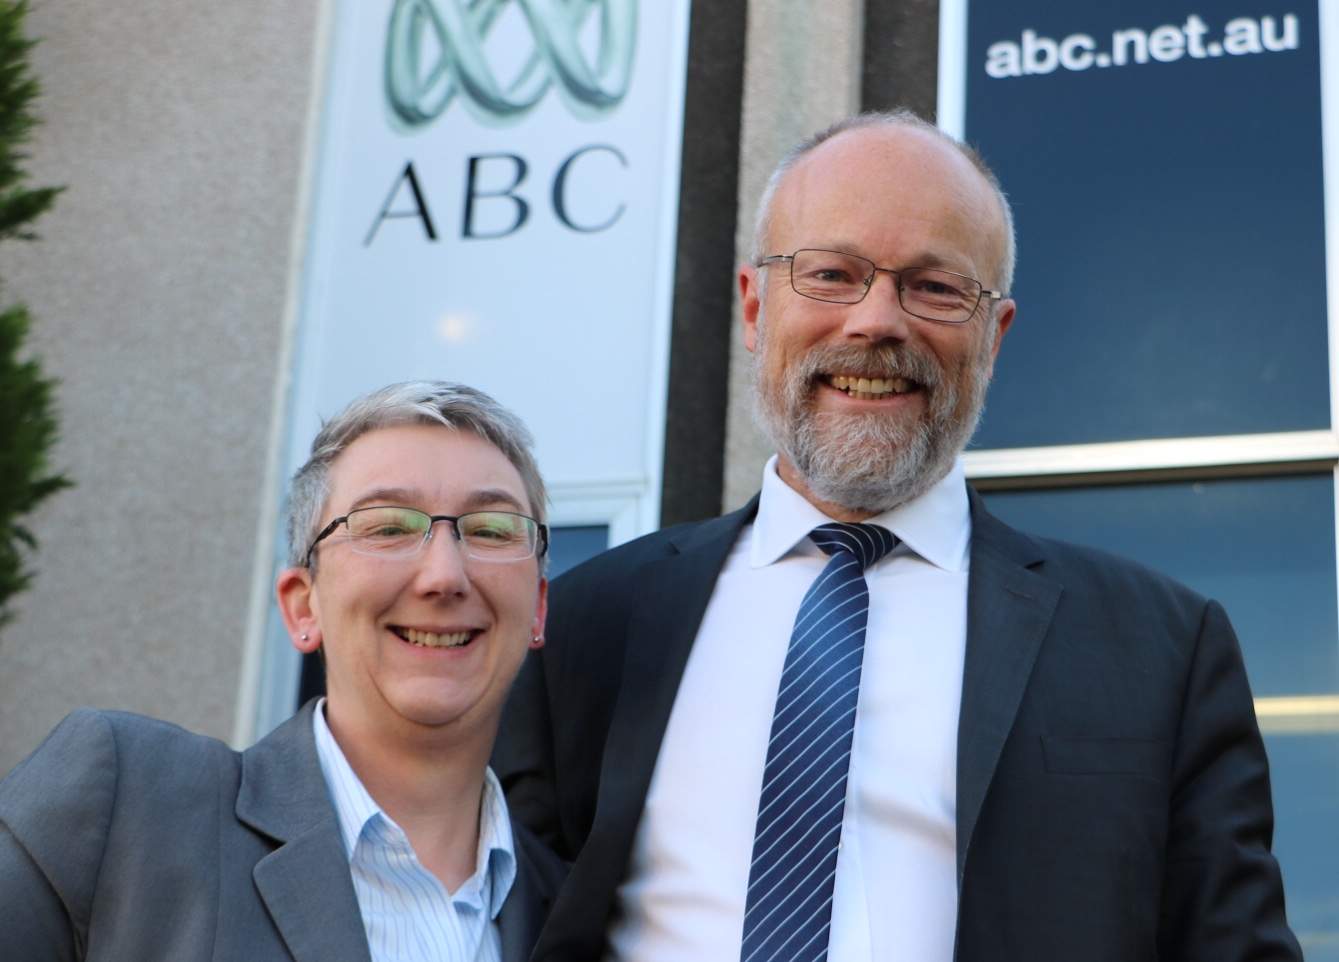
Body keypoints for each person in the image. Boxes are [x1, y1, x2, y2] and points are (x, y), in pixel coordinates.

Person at [495, 111, 1302, 961]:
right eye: (832, 273)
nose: (876, 321)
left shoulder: (1158, 649)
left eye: (934, 287)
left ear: (993, 337)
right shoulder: (591, 625)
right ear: (752, 306)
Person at [0, 380, 565, 962]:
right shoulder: (128, 810)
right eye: (388, 526)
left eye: (491, 530)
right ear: (302, 605)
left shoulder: (584, 913)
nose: (444, 575)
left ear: (538, 610)